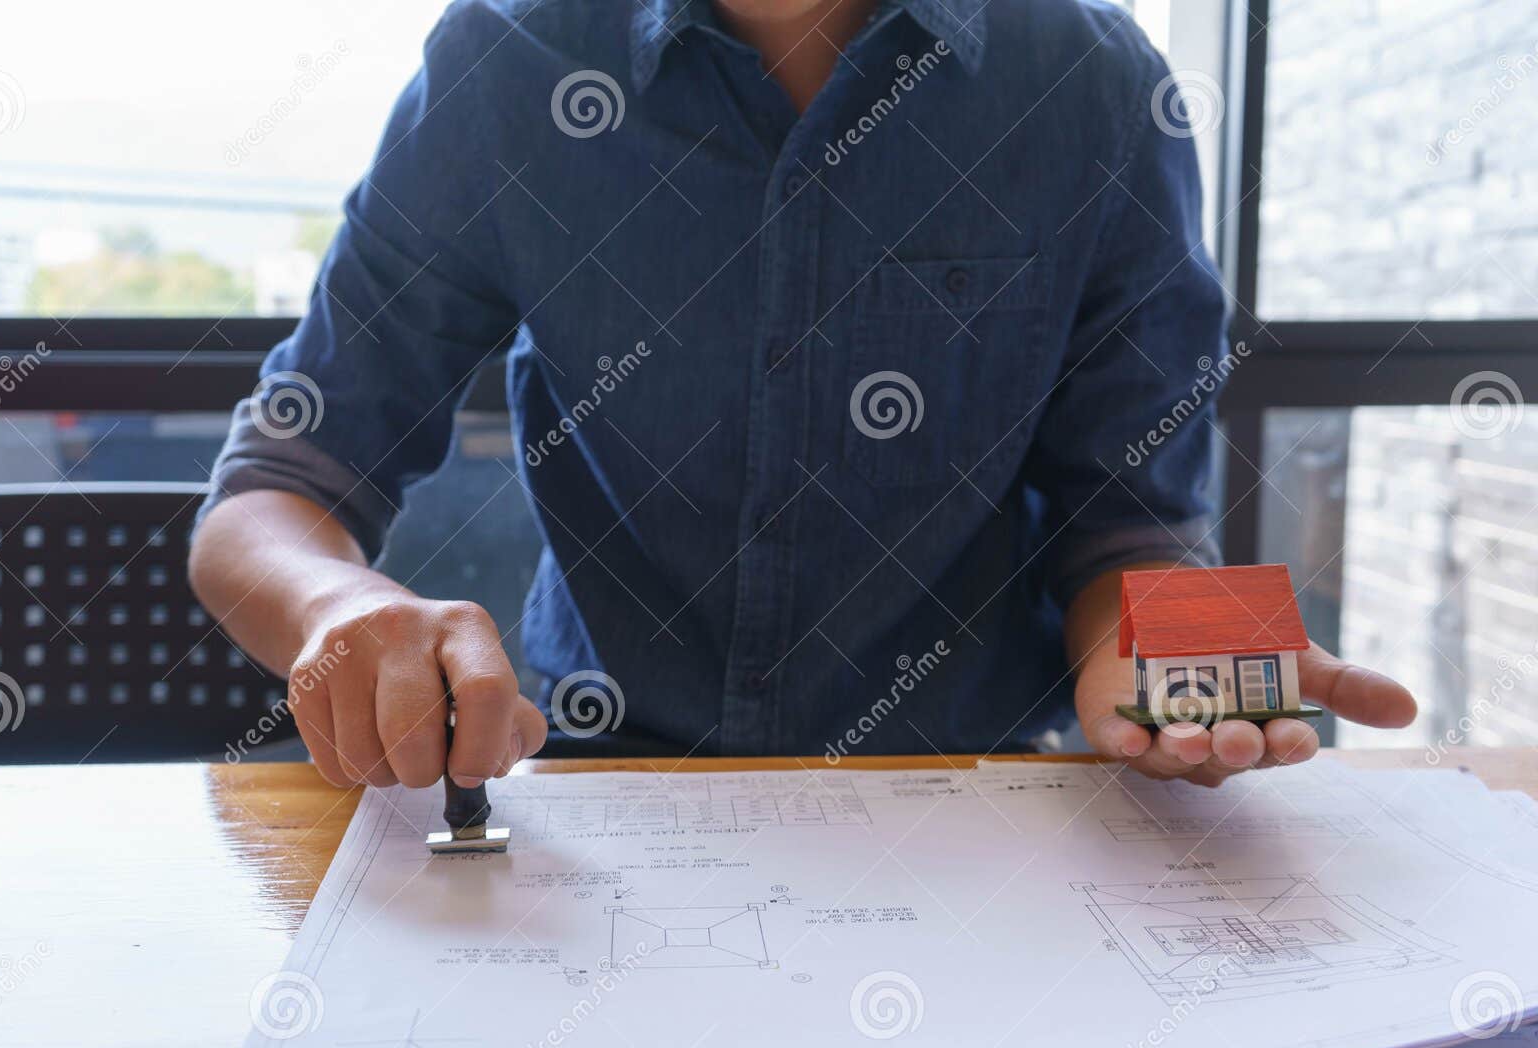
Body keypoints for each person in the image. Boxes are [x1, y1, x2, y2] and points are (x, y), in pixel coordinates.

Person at [188, 0, 1415, 796]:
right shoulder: (511, 57)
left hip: (973, 798)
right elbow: (279, 487)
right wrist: (338, 603)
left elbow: (1129, 517)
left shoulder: (1091, 80)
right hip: (595, 787)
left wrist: (1151, 646)